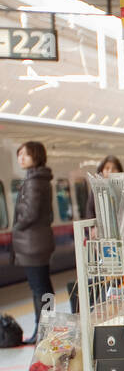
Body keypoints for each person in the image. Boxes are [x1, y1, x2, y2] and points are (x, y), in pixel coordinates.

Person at [13, 142, 55, 344]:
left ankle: (43, 330)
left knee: (39, 288)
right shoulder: (39, 180)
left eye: (26, 154)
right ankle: (44, 327)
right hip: (37, 241)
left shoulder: (34, 182)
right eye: (19, 154)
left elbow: (30, 212)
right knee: (42, 287)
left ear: (36, 156)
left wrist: (17, 225)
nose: (21, 158)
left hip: (32, 243)